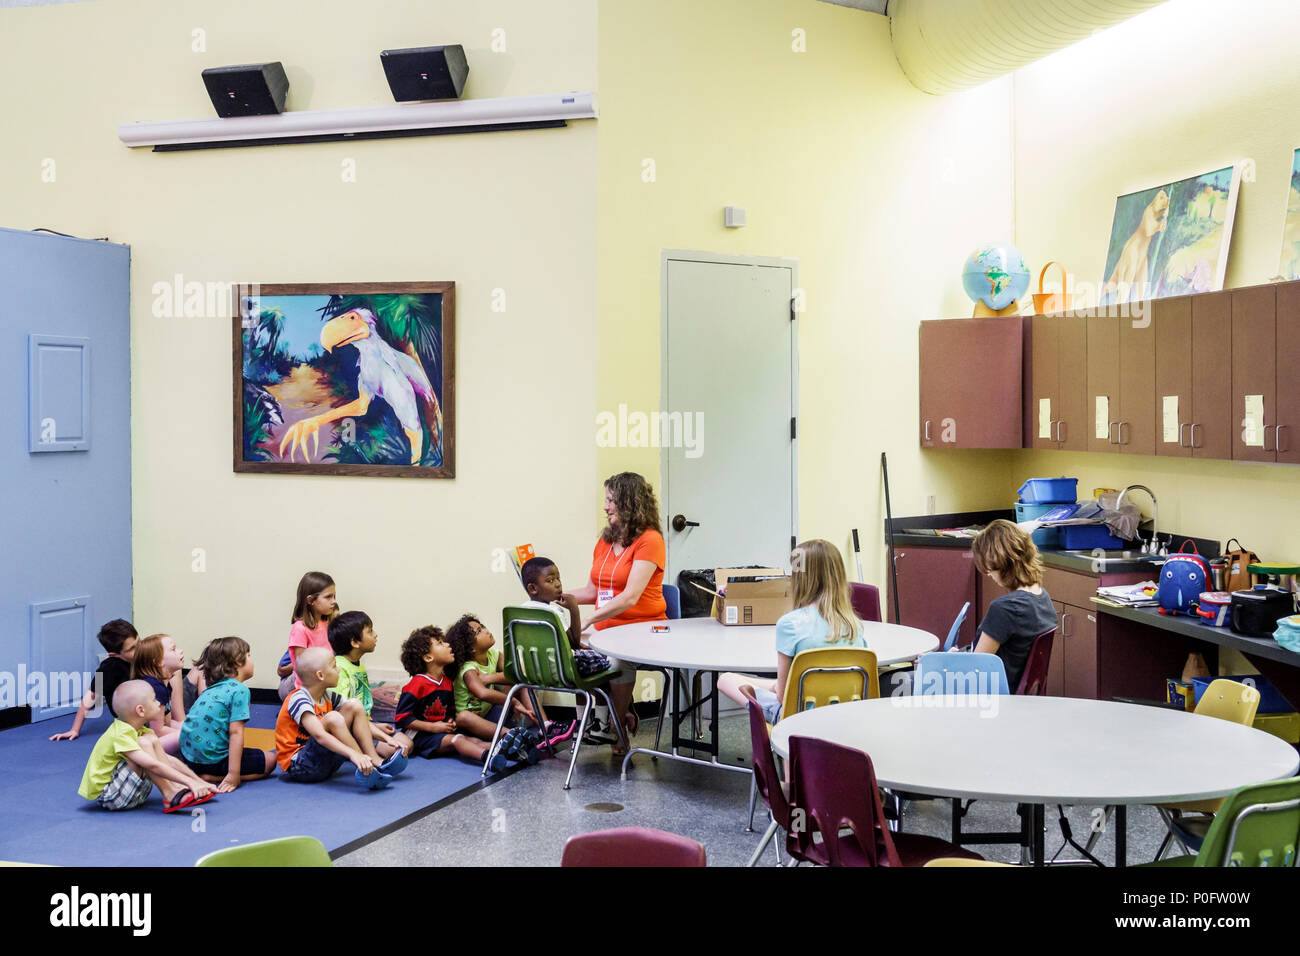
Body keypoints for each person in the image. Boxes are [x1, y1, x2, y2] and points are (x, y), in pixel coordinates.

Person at [567, 472, 667, 747]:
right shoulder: (605, 540)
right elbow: (591, 591)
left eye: (611, 500)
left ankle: (614, 724)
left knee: (618, 657)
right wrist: (553, 596)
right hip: (606, 628)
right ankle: (588, 721)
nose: (606, 507)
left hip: (642, 627)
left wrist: (589, 619)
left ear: (630, 503)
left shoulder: (650, 540)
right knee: (575, 653)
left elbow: (630, 597)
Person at [718, 539, 866, 724]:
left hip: (797, 718)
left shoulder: (789, 624)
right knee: (772, 686)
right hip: (845, 718)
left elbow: (783, 697)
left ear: (801, 579)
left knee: (725, 679)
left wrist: (776, 687)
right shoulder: (855, 626)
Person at [275, 646, 406, 788]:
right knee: (333, 717)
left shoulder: (328, 696)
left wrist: (387, 739)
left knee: (354, 705)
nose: (338, 670)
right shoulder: (299, 699)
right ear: (320, 675)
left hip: (325, 762)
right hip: (302, 767)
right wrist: (354, 755)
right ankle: (363, 763)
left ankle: (373, 760)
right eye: (334, 667)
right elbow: (319, 735)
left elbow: (360, 719)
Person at [78, 680, 216, 813]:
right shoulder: (120, 734)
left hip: (131, 792)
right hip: (113, 797)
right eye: (154, 700)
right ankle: (170, 793)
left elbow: (168, 760)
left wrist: (197, 781)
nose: (158, 702)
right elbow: (153, 765)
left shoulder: (141, 730)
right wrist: (189, 781)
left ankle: (175, 788)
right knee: (144, 744)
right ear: (140, 710)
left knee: (149, 739)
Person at [396, 626, 509, 771]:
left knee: (472, 740)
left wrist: (450, 721)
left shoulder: (447, 681)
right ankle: (488, 759)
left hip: (439, 731)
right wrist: (434, 726)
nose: (448, 645)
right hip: (419, 735)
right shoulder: (417, 683)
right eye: (440, 643)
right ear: (428, 657)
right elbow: (402, 718)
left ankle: (508, 749)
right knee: (458, 740)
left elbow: (449, 709)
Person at [179, 636, 276, 791]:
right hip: (213, 761)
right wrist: (233, 774)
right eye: (249, 656)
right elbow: (236, 733)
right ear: (238, 662)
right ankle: (214, 777)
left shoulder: (212, 689)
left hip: (190, 758)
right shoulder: (240, 690)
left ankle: (202, 772)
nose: (252, 661)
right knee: (271, 760)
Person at [970, 518, 1057, 691]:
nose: (989, 574)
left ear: (1003, 563)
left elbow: (974, 670)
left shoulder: (1004, 609)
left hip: (990, 696)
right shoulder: (1043, 597)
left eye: (990, 569)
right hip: (1015, 696)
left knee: (906, 680)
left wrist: (942, 663)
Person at [446, 613, 543, 761]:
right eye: (479, 632)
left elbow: (516, 674)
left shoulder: (494, 655)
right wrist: (514, 702)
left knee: (521, 684)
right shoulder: (468, 669)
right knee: (463, 717)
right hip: (472, 725)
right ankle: (510, 735)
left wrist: (488, 678)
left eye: (482, 627)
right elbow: (482, 693)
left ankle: (546, 727)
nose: (486, 630)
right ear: (471, 649)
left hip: (491, 714)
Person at [328, 610, 413, 759]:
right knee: (397, 749)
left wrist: (374, 726)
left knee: (406, 742)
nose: (375, 635)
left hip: (364, 725)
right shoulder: (340, 669)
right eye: (370, 631)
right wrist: (372, 729)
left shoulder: (357, 665)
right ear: (354, 642)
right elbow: (342, 714)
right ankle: (360, 753)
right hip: (349, 731)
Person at [51, 619, 140, 741]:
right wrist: (74, 729)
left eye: (139, 642)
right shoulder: (109, 668)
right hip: (129, 716)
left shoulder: (142, 654)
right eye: (132, 648)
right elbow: (91, 696)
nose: (139, 649)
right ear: (114, 655)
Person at [130, 633, 187, 755]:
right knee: (189, 735)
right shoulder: (155, 688)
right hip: (142, 745)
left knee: (189, 727)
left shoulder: (165, 684)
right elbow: (158, 731)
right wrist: (191, 733)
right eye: (173, 649)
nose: (180, 651)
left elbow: (168, 722)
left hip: (151, 738)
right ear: (159, 661)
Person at [288, 571, 338, 690]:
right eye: (328, 597)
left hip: (327, 687)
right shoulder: (300, 628)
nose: (334, 601)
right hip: (308, 690)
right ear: (310, 600)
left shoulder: (328, 624)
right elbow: (302, 666)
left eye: (334, 596)